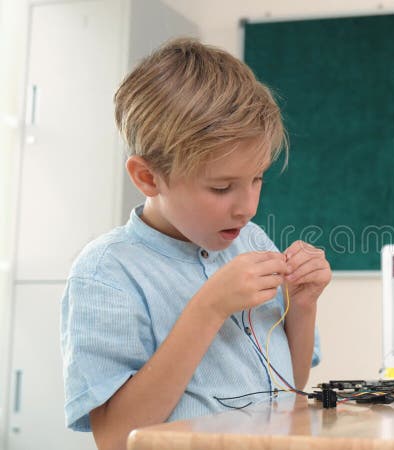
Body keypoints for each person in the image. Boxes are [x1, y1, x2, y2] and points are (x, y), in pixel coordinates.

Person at [60, 38, 331, 450]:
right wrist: (209, 307)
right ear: (148, 178)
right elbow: (116, 437)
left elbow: (291, 384)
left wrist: (302, 305)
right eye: (222, 187)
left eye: (257, 179)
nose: (248, 208)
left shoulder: (251, 241)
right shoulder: (107, 272)